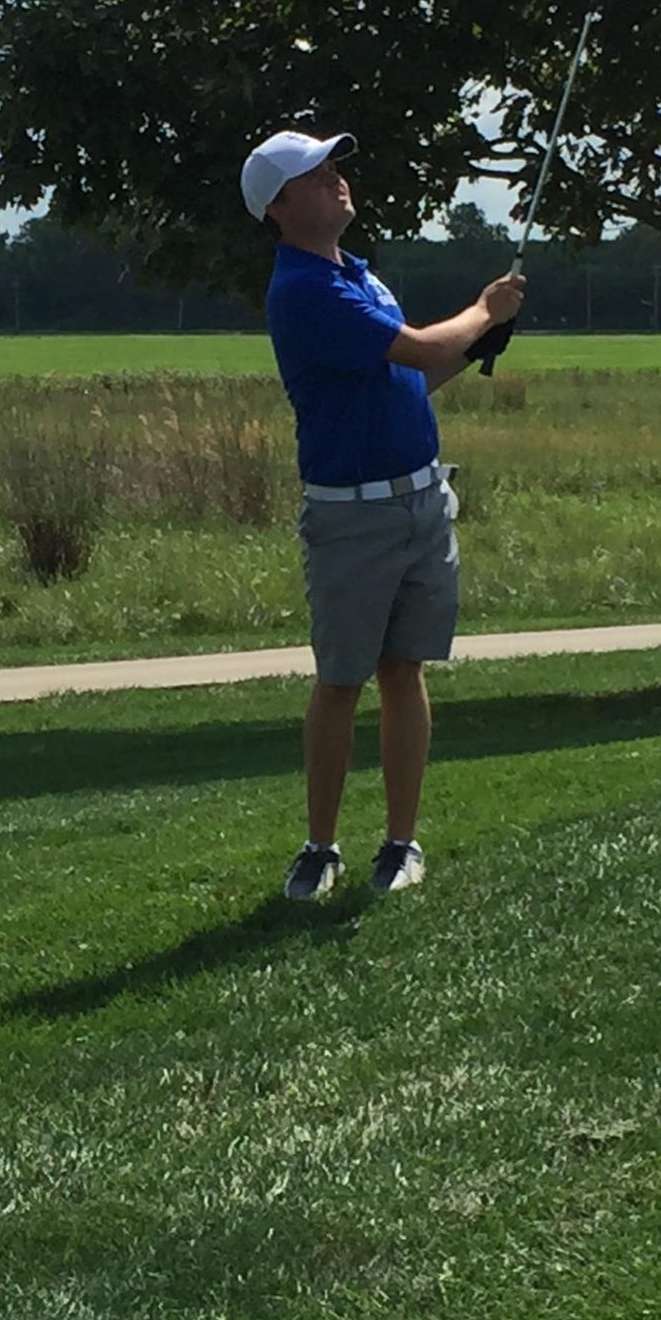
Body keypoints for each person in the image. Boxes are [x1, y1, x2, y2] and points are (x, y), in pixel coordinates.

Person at [240, 129, 524, 899]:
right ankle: (321, 847)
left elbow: (413, 381)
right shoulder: (306, 288)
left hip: (420, 500)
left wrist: (477, 343)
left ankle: (400, 843)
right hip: (350, 516)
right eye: (315, 174)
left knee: (406, 669)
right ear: (279, 204)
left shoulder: (361, 278)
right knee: (341, 678)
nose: (335, 179)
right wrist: (482, 310)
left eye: (334, 167)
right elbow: (424, 349)